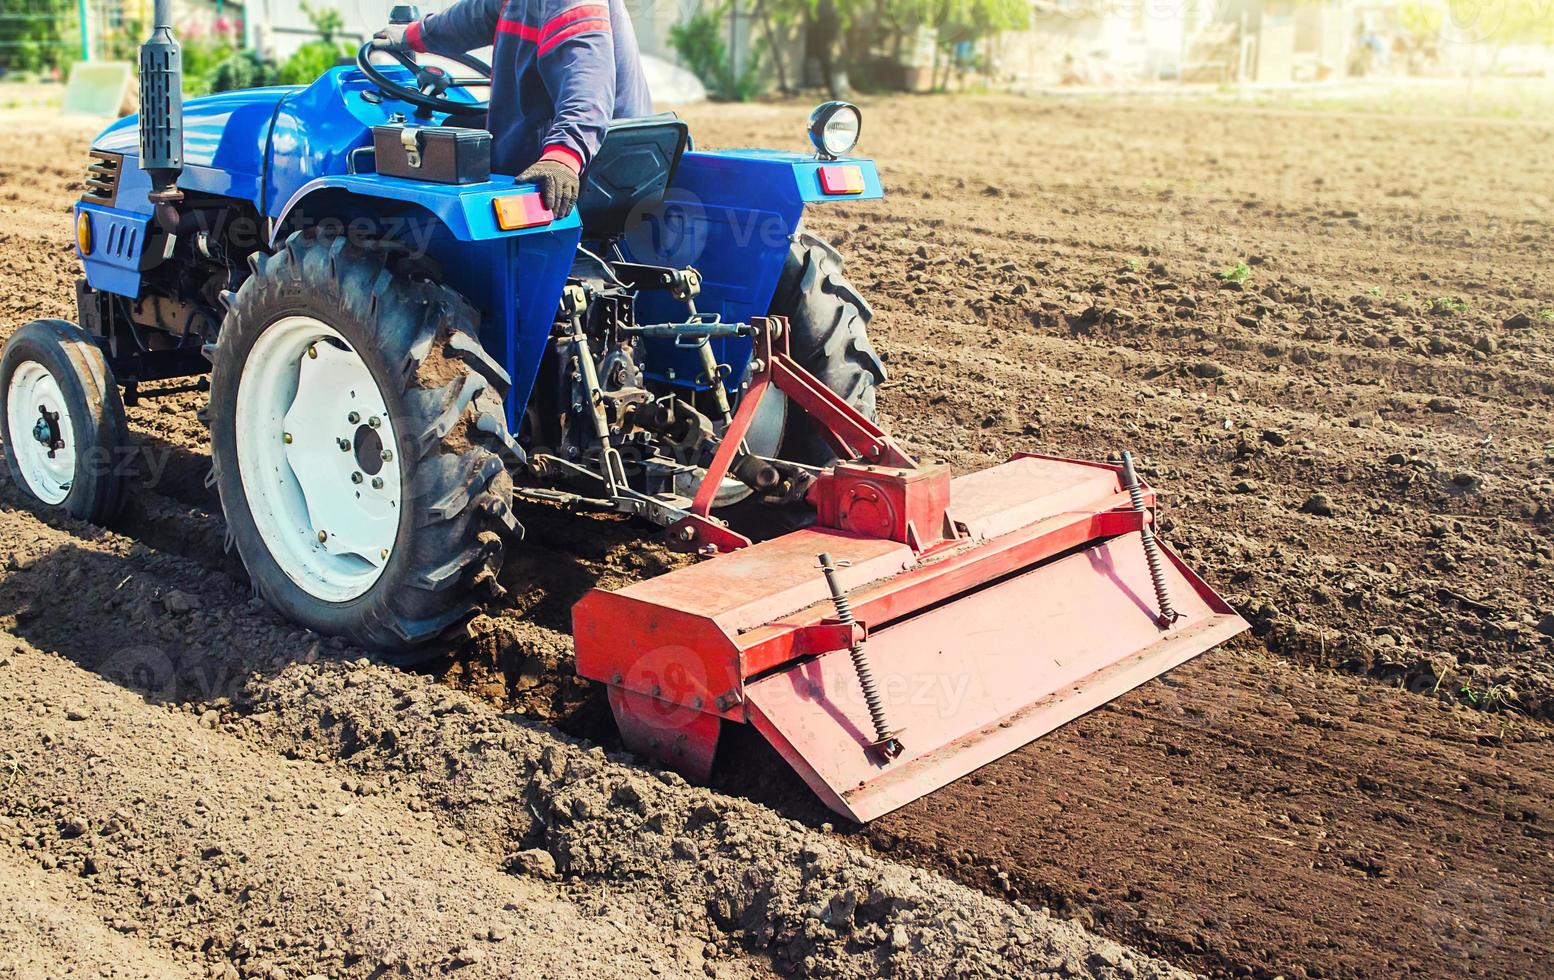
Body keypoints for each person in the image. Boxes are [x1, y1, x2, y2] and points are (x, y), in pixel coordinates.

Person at [374, 0, 653, 218]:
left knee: (440, 153)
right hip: (607, 153)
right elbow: (472, 18)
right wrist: (413, 35)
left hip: (584, 159)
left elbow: (588, 87)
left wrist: (562, 156)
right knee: (456, 126)